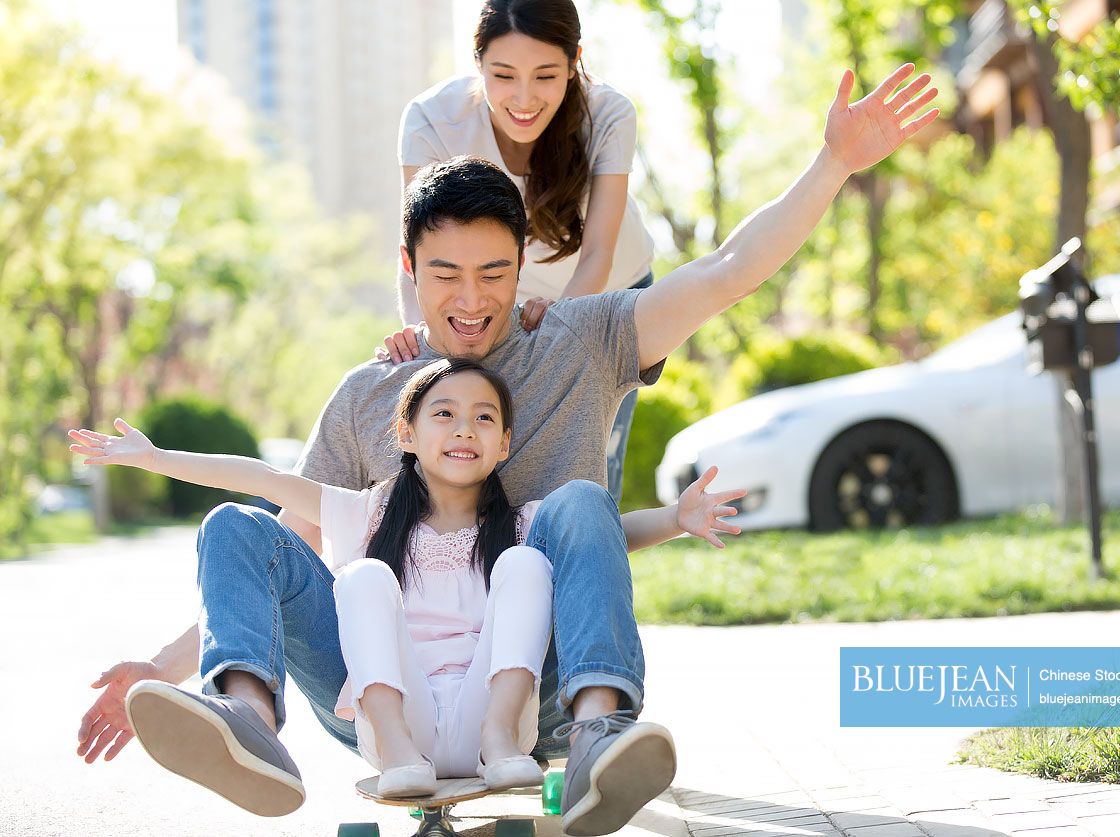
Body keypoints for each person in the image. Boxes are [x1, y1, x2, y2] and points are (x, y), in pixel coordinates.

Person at [78, 63, 939, 836]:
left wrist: (833, 163)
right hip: (382, 699)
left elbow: (727, 268)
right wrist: (156, 668)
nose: (470, 299)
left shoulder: (583, 338)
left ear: (525, 262)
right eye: (444, 274)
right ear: (409, 268)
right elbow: (289, 547)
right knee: (240, 524)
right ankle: (247, 722)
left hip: (541, 692)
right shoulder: (366, 394)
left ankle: (604, 730)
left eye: (494, 273)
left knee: (577, 503)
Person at [68, 359, 741, 805]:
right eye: (443, 413)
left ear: (504, 443)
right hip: (394, 721)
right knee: (292, 548)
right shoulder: (360, 512)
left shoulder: (524, 524)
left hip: (496, 720)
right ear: (408, 434)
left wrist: (676, 520)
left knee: (528, 561)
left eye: (484, 417)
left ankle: (562, 732)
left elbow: (601, 538)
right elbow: (258, 478)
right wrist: (156, 458)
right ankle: (248, 717)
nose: (463, 428)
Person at [386, 0, 655, 504]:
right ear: (478, 62)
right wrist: (424, 350)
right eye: (504, 75)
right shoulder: (431, 119)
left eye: (547, 76)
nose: (525, 98)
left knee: (586, 459)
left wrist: (562, 332)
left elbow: (598, 250)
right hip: (508, 299)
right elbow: (419, 250)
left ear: (575, 61)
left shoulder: (608, 113)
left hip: (606, 295)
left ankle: (590, 558)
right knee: (498, 443)